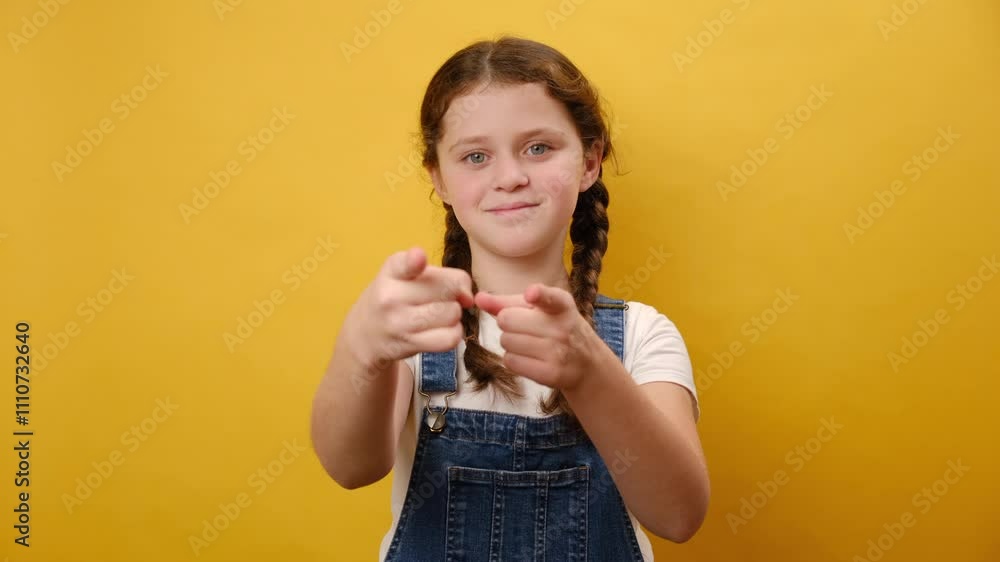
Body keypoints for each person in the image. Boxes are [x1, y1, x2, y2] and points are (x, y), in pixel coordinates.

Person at [310, 35, 709, 561]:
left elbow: (679, 515)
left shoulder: (641, 334)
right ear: (440, 179)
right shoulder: (414, 326)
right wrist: (361, 349)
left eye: (538, 148)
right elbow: (350, 468)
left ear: (590, 161)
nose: (511, 177)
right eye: (476, 156)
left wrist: (590, 371)